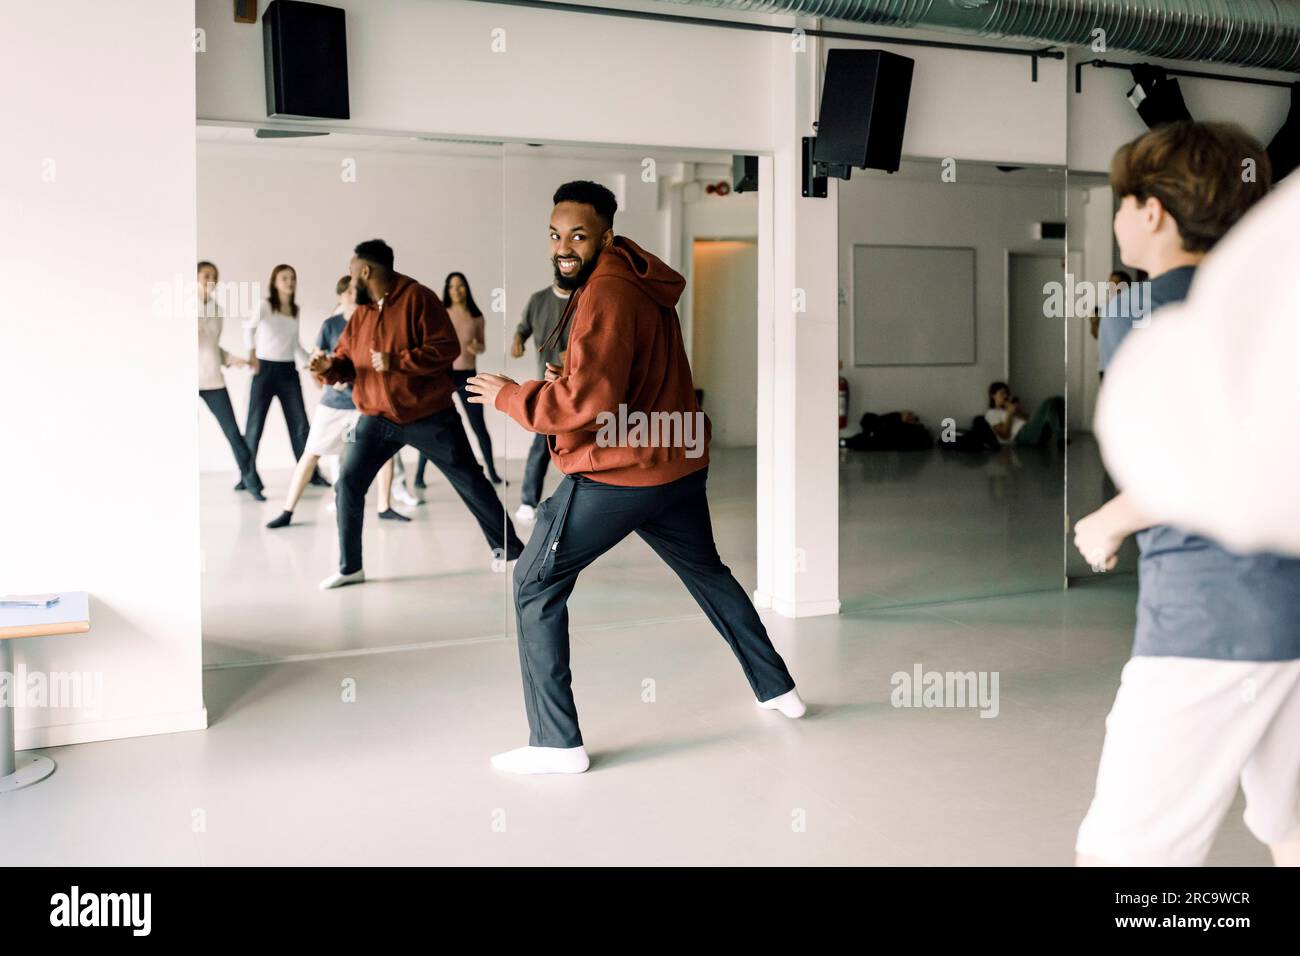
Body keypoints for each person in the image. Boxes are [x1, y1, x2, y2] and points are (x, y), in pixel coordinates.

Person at [467, 181, 804, 775]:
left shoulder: (607, 291)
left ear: (607, 235)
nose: (563, 246)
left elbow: (591, 402)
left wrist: (513, 396)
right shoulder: (636, 279)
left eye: (578, 235)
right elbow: (622, 374)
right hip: (674, 463)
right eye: (555, 234)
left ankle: (556, 743)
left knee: (533, 584)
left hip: (620, 474)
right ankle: (779, 690)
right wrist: (566, 372)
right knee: (709, 575)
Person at [1071, 121, 1300, 867]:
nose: (1116, 220)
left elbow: (1189, 463)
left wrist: (1107, 522)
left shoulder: (1142, 311)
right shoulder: (1275, 310)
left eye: (1119, 202)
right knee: (1289, 824)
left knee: (1127, 859)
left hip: (1210, 618)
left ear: (1152, 213)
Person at [309, 240, 523, 590]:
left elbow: (447, 349)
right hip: (376, 418)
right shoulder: (361, 313)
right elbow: (348, 362)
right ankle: (351, 568)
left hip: (429, 415)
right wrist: (329, 366)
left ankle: (510, 551)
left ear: (366, 271)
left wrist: (399, 362)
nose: (349, 284)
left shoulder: (418, 298)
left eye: (351, 275)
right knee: (347, 481)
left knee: (470, 480)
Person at [266, 276, 407, 529]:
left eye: (358, 290)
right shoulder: (330, 325)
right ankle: (288, 510)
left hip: (366, 404)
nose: (355, 294)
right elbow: (317, 362)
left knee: (386, 454)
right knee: (311, 454)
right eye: (350, 291)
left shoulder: (374, 321)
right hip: (334, 404)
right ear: (340, 295)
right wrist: (328, 379)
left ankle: (385, 506)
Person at [414, 272, 504, 487]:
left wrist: (478, 348)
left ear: (466, 288)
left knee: (478, 426)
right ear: (447, 289)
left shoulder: (476, 316)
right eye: (452, 286)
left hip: (468, 375)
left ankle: (492, 472)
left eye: (460, 286)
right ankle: (418, 476)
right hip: (442, 376)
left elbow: (481, 345)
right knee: (433, 425)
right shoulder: (441, 313)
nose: (456, 290)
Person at [242, 263, 325, 487]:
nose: (289, 282)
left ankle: (311, 474)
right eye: (284, 278)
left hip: (288, 371)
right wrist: (252, 354)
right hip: (265, 370)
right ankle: (246, 475)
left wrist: (312, 362)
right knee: (254, 425)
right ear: (275, 283)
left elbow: (295, 344)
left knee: (300, 424)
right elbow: (248, 327)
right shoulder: (266, 305)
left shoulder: (295, 310)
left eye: (292, 278)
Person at [196, 261, 265, 501]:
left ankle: (251, 481)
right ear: (195, 277)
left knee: (233, 432)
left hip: (213, 379)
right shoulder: (185, 307)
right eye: (206, 275)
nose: (210, 280)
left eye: (214, 276)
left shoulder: (216, 309)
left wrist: (233, 359)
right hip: (188, 378)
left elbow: (212, 346)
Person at [510, 280, 572, 522]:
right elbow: (522, 328)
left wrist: (575, 357)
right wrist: (518, 340)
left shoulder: (586, 299)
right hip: (547, 389)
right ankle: (528, 501)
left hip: (580, 389)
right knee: (540, 448)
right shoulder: (538, 300)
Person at [979, 382, 1065, 446]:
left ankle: (1061, 435)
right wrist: (1010, 414)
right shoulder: (991, 413)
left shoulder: (1008, 409)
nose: (1005, 396)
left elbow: (1029, 419)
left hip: (1033, 432)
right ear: (993, 395)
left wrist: (1018, 411)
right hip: (1022, 436)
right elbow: (1004, 435)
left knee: (1058, 401)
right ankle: (1061, 437)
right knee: (1049, 402)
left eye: (1006, 393)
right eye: (1002, 393)